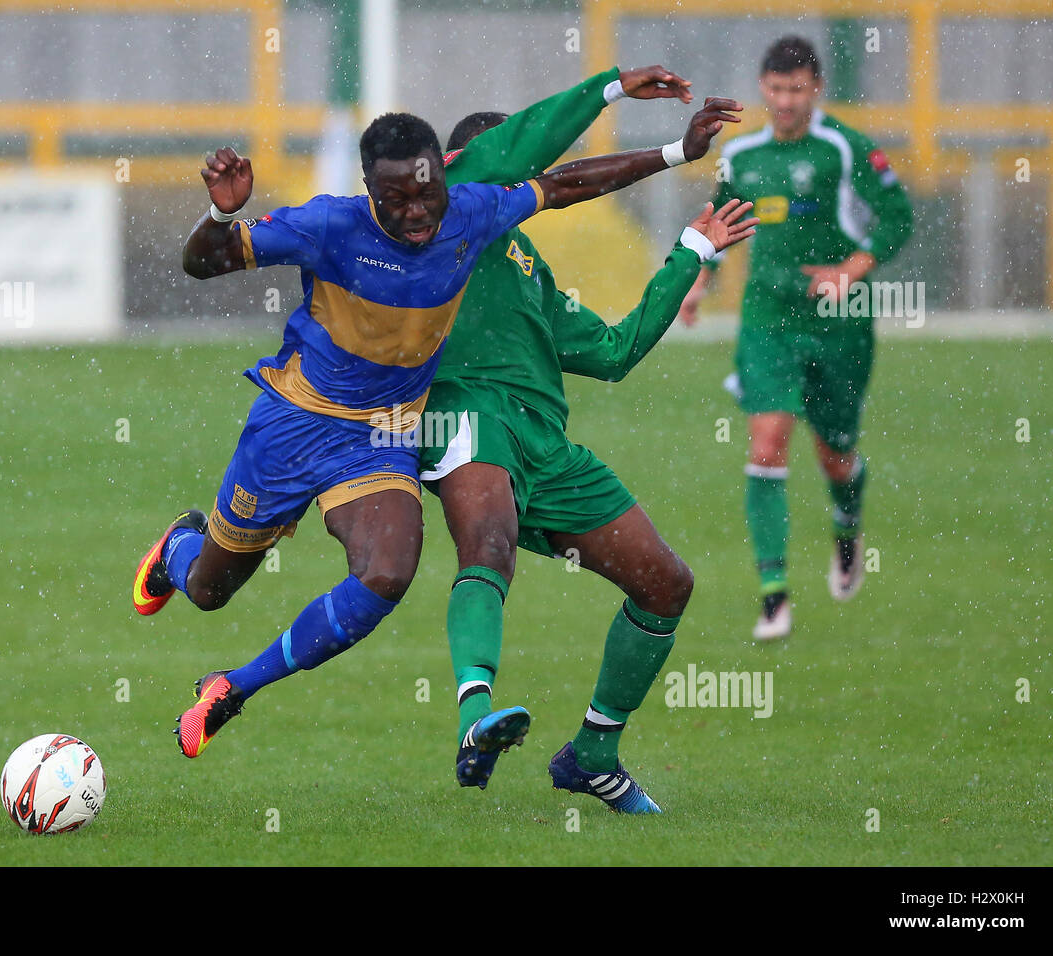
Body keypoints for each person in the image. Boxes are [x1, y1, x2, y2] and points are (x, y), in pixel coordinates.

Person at [133, 101, 714, 761]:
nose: (417, 209)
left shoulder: (485, 229)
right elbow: (203, 262)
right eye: (396, 196)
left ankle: (235, 687)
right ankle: (181, 549)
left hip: (380, 436)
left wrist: (677, 169)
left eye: (426, 190)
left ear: (445, 175)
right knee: (212, 589)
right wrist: (223, 214)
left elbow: (570, 195)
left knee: (387, 573)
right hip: (292, 427)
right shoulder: (333, 223)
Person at [421, 99, 754, 812]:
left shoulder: (526, 263)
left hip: (546, 449)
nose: (520, 180)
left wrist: (691, 252)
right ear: (456, 173)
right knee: (487, 544)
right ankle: (472, 717)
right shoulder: (436, 231)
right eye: (505, 164)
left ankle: (593, 753)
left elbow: (612, 352)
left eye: (527, 170)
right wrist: (660, 139)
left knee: (666, 585)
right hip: (467, 419)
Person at [679, 36, 913, 641]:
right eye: (777, 90)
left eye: (798, 90)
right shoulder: (743, 157)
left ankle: (846, 525)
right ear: (764, 88)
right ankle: (773, 594)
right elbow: (720, 224)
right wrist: (698, 282)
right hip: (767, 320)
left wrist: (849, 271)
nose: (786, 102)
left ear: (816, 90)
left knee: (835, 455)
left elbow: (898, 218)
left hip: (839, 325)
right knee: (768, 438)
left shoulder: (844, 146)